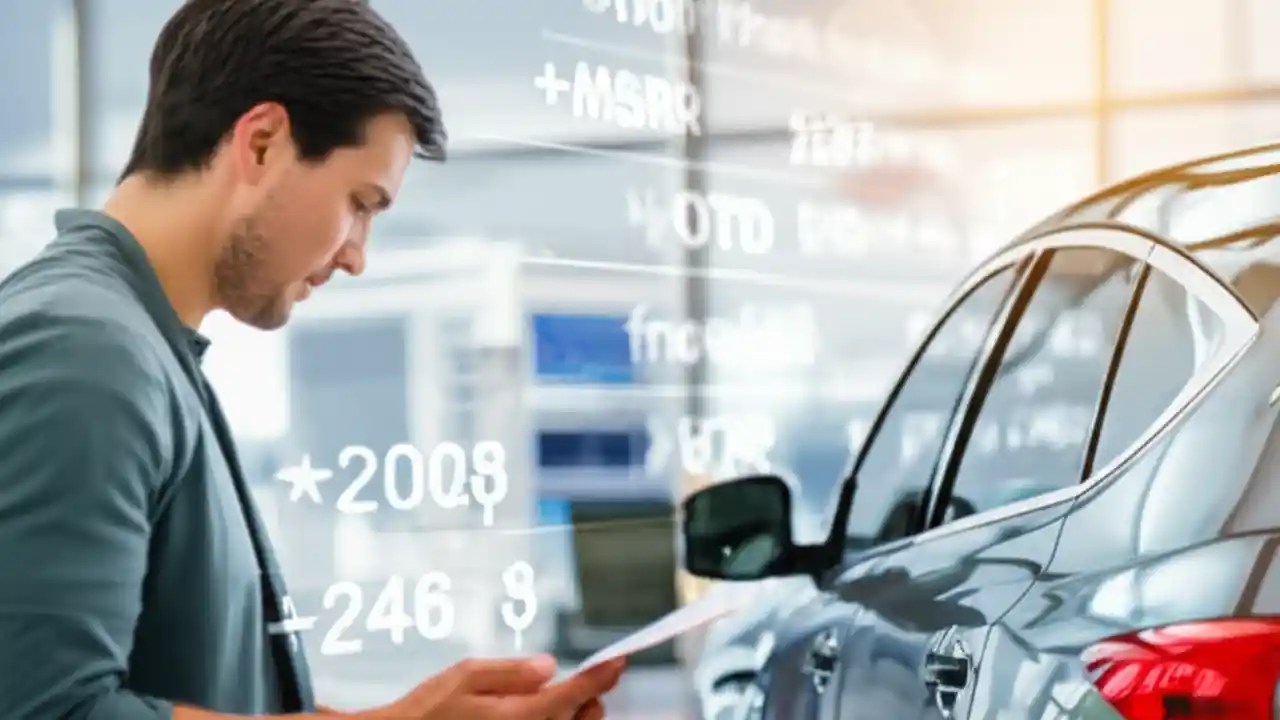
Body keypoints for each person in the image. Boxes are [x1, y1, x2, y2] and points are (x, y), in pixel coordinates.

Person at [0, 0, 625, 718]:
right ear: (263, 143)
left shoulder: (141, 346)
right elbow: (48, 710)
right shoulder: (85, 351)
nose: (357, 255)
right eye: (360, 203)